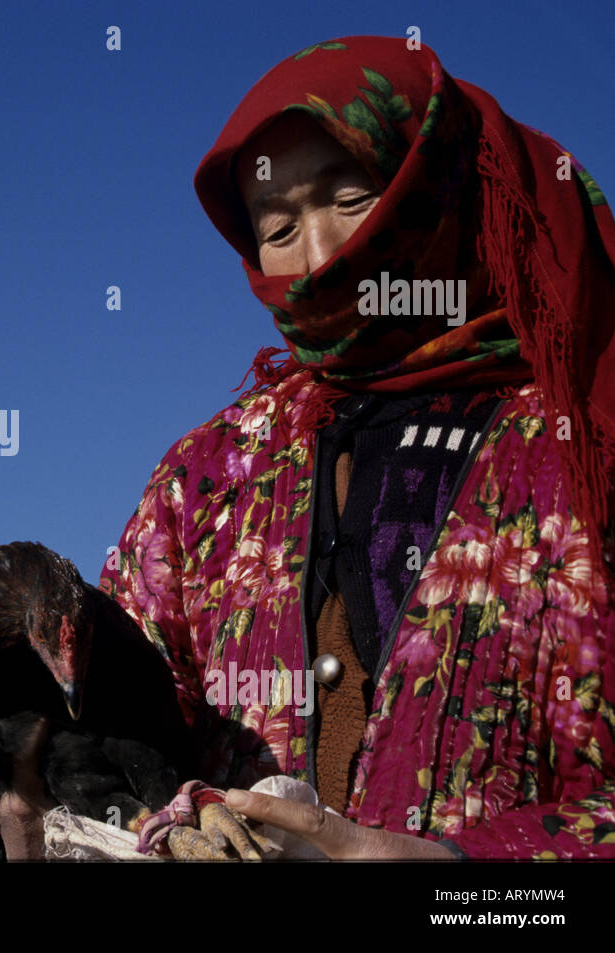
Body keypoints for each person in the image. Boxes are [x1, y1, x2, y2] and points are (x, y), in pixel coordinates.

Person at [100, 35, 615, 859]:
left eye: (352, 197)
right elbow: (110, 741)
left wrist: (461, 875)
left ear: (437, 186)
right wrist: (172, 816)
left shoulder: (582, 441)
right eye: (277, 226)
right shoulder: (206, 480)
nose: (320, 256)